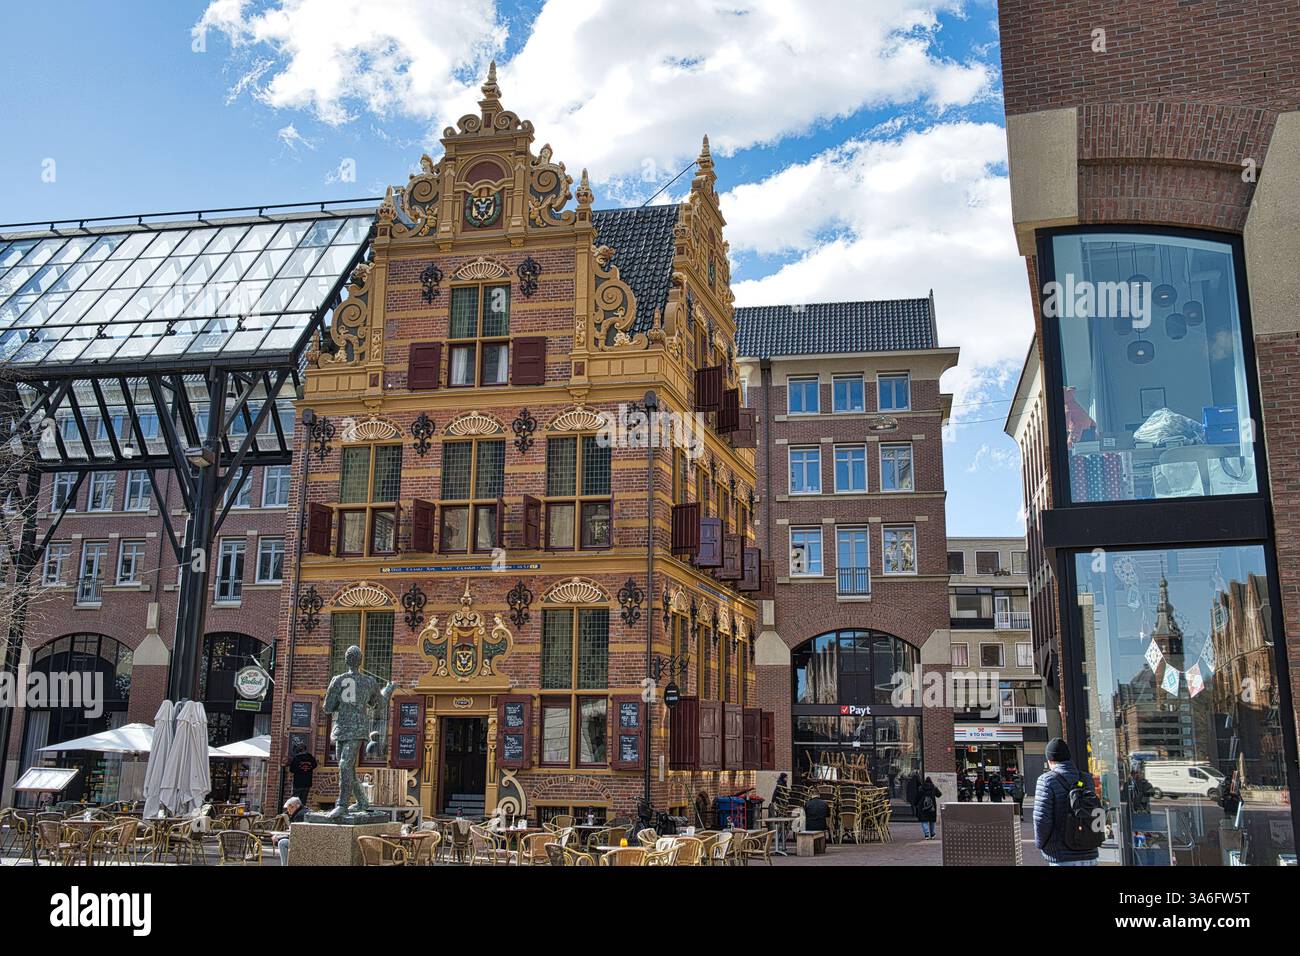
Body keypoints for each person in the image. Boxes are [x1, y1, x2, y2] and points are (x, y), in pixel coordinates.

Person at [1033, 738, 1100, 866]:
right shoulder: (1086, 779)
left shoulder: (1046, 780)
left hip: (1062, 855)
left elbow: (1041, 820)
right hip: (1089, 850)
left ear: (1050, 760)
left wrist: (1041, 844)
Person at [275, 796, 306, 866]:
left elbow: (295, 835)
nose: (289, 812)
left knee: (282, 843)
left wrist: (279, 837)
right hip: (306, 839)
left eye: (289, 810)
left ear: (295, 807)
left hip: (303, 842)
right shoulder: (303, 811)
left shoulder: (299, 816)